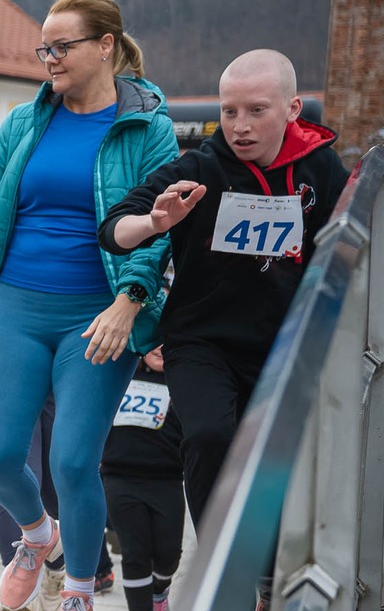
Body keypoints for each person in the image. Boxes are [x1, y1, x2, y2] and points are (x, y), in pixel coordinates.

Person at [0, 0, 175, 611]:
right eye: (43, 48)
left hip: (98, 314)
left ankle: (79, 597)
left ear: (105, 46)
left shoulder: (147, 127)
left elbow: (158, 227)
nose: (49, 59)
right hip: (14, 303)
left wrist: (130, 300)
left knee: (72, 462)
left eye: (62, 47)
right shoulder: (25, 120)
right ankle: (39, 535)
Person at [100, 49, 349, 527]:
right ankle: (216, 550)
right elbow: (112, 230)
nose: (240, 126)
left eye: (257, 110)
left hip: (283, 343)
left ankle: (265, 559)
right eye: (229, 112)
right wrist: (154, 223)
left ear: (292, 109)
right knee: (209, 436)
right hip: (202, 341)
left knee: (279, 456)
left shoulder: (322, 169)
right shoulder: (199, 169)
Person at [101, 351, 185, 611]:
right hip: (119, 476)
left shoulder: (185, 379)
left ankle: (159, 592)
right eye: (153, 342)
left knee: (169, 556)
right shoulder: (119, 373)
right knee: (135, 553)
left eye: (165, 343)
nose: (160, 348)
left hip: (167, 480)